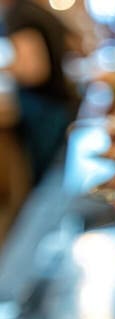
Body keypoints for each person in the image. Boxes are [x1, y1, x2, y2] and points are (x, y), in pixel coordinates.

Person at [1, 0, 76, 184]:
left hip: (44, 110)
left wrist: (6, 68)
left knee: (49, 183)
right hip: (59, 104)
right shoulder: (35, 10)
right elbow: (73, 43)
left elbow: (34, 71)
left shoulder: (19, 14)